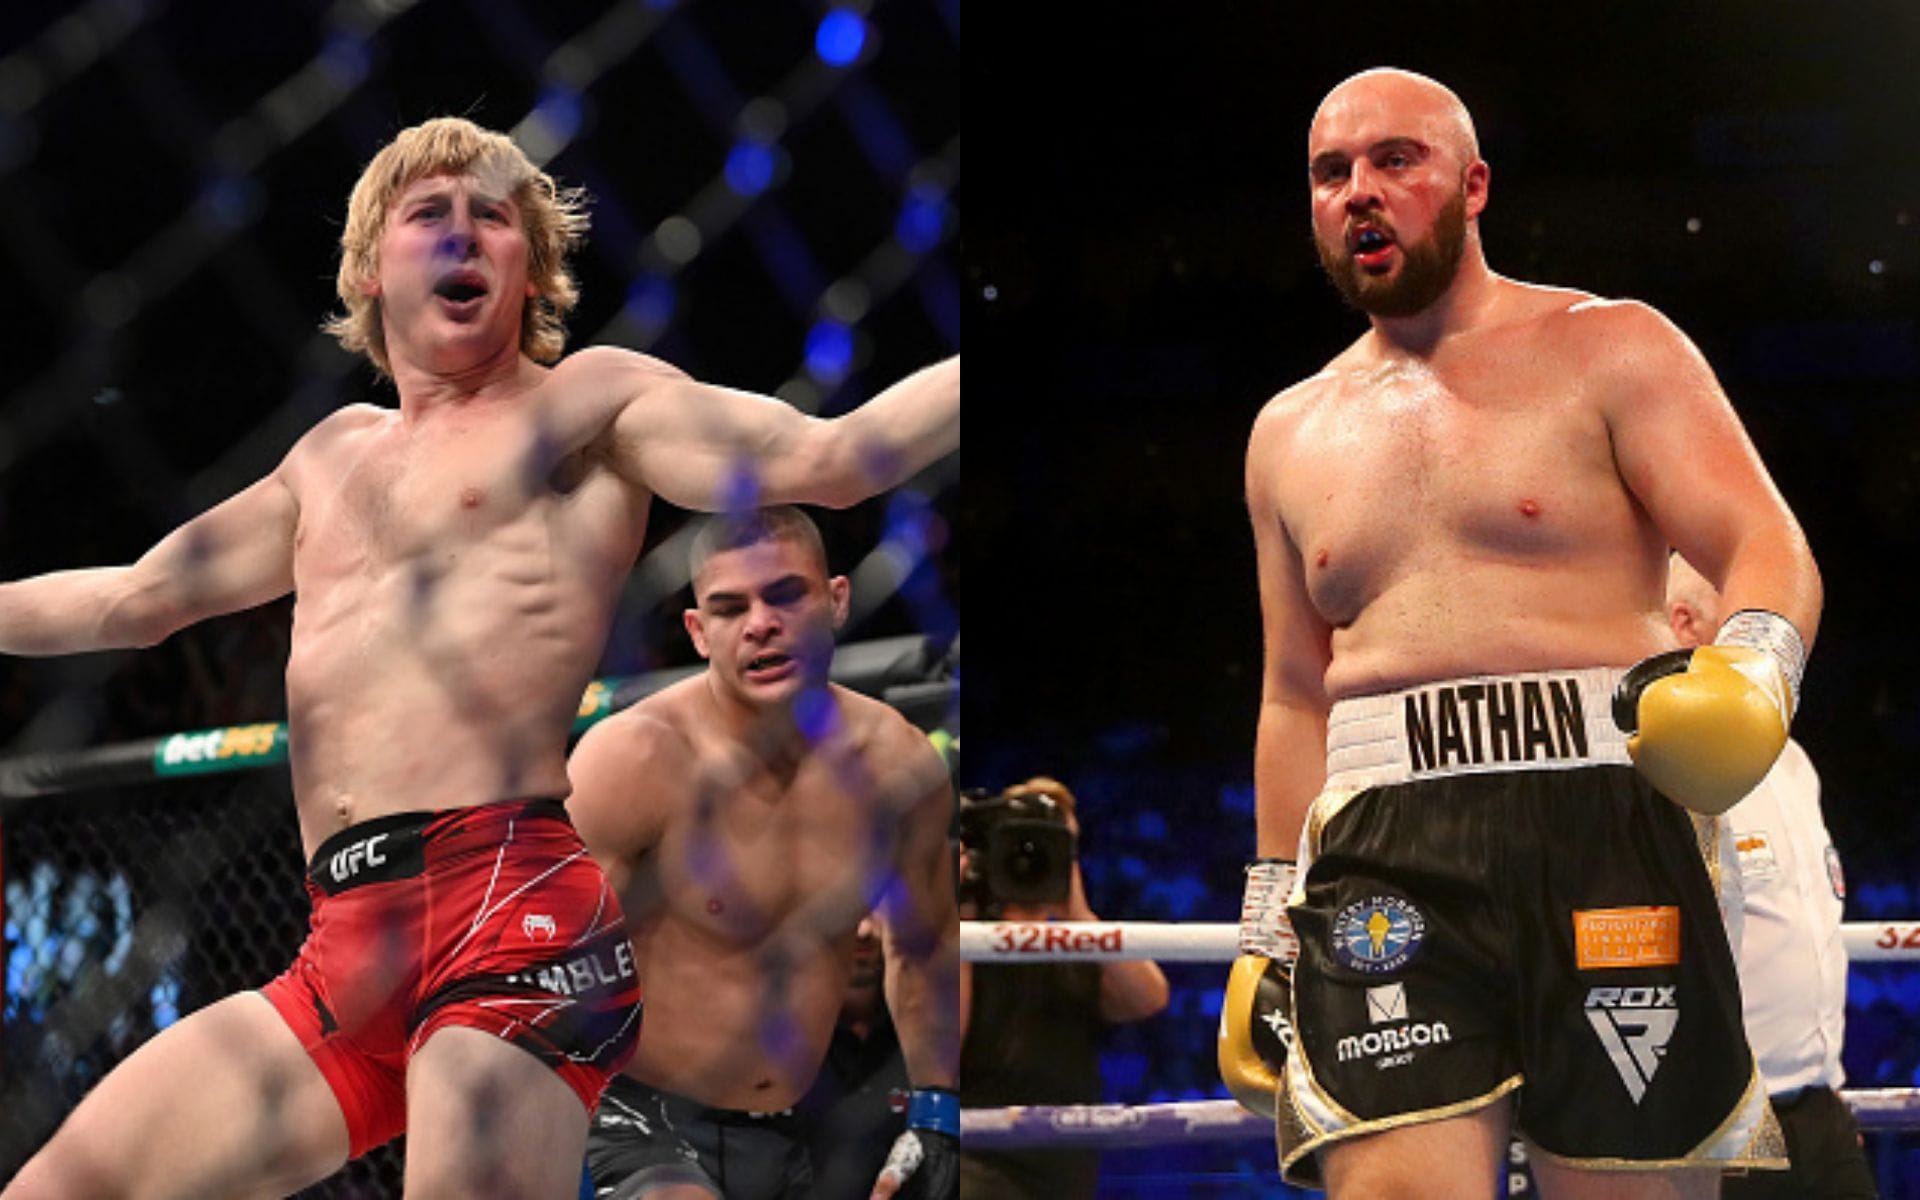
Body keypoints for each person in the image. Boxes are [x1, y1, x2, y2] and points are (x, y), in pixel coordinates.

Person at [0, 117, 958, 1200]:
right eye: (429, 216)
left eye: (492, 219)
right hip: (343, 944)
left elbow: (830, 459)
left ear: (531, 267)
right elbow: (136, 600)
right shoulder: (325, 461)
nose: (463, 236)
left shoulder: (583, 410)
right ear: (369, 268)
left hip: (513, 909)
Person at [1214, 67, 1822, 1197]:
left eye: (1397, 159)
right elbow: (1294, 691)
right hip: (1382, 848)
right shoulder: (1286, 431)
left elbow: (1765, 545)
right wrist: (1266, 923)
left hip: (1603, 816)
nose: (1360, 191)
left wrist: (1752, 670)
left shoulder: (1613, 347)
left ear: (1473, 184)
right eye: (1330, 171)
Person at [565, 506, 958, 1200]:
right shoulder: (635, 760)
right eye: (729, 607)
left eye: (785, 594)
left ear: (837, 599)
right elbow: (548, 967)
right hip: (635, 1114)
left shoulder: (898, 767)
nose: (760, 624)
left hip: (795, 1130)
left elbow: (923, 949)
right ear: (698, 631)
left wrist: (936, 1107)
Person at [1666, 556, 1877, 1200]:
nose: (1773, 633)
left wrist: (1829, 1083)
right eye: (1746, 615)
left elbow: (1808, 927)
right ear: (1687, 625)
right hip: (1724, 1118)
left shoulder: (1792, 759)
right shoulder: (1660, 766)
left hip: (1819, 1108)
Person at [958, 776, 1170, 1200]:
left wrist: (1075, 906)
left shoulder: (1078, 950)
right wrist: (959, 908)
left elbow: (1148, 997)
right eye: (1019, 840)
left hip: (1063, 1173)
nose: (1031, 853)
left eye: (1051, 843)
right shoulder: (964, 942)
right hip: (977, 1162)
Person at [797, 913, 914, 1200]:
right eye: (848, 907)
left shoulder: (930, 1030)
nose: (862, 931)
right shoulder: (765, 1035)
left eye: (874, 905)